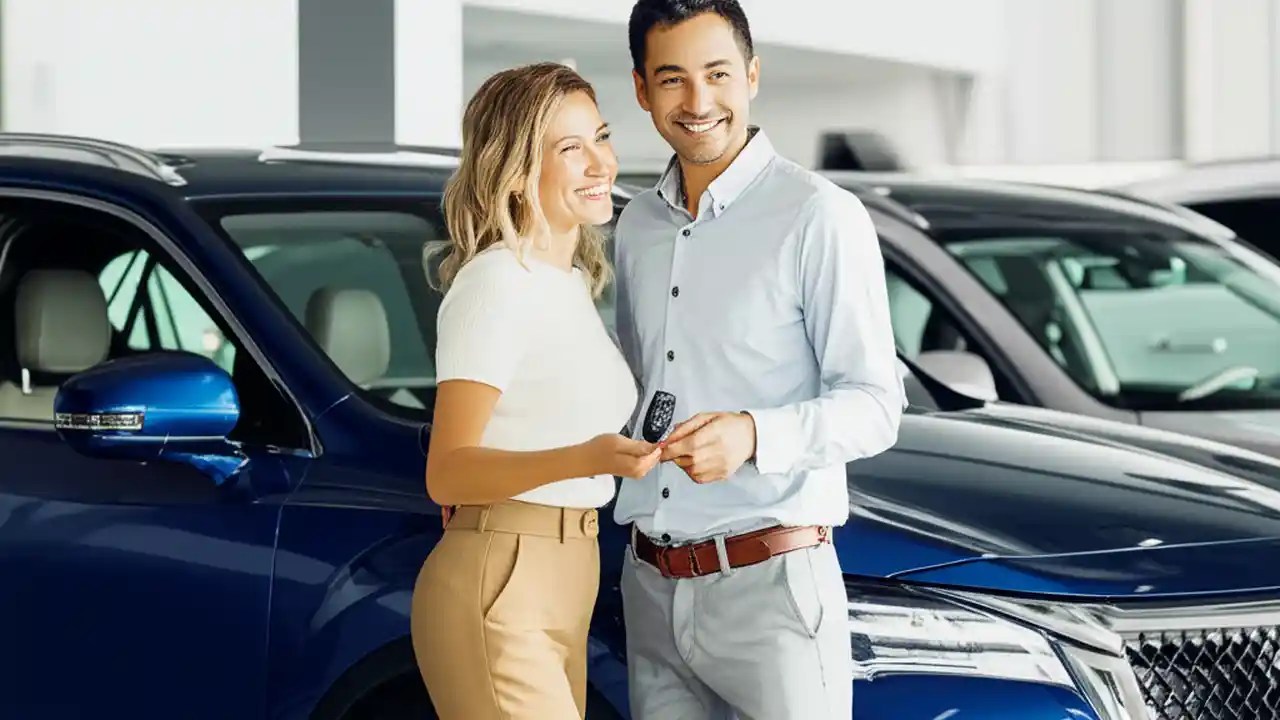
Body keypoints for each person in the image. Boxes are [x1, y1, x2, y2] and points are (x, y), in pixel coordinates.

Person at [612, 1, 907, 718]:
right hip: (649, 580)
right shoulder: (635, 225)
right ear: (642, 90)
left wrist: (752, 435)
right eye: (673, 79)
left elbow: (876, 405)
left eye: (717, 74)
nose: (699, 100)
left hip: (770, 588)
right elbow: (637, 386)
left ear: (751, 75)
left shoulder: (818, 215)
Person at [411, 61, 662, 720]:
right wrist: (589, 458)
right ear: (518, 170)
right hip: (504, 578)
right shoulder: (497, 283)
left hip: (567, 572)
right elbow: (449, 471)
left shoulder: (571, 285)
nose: (600, 162)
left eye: (601, 138)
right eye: (570, 148)